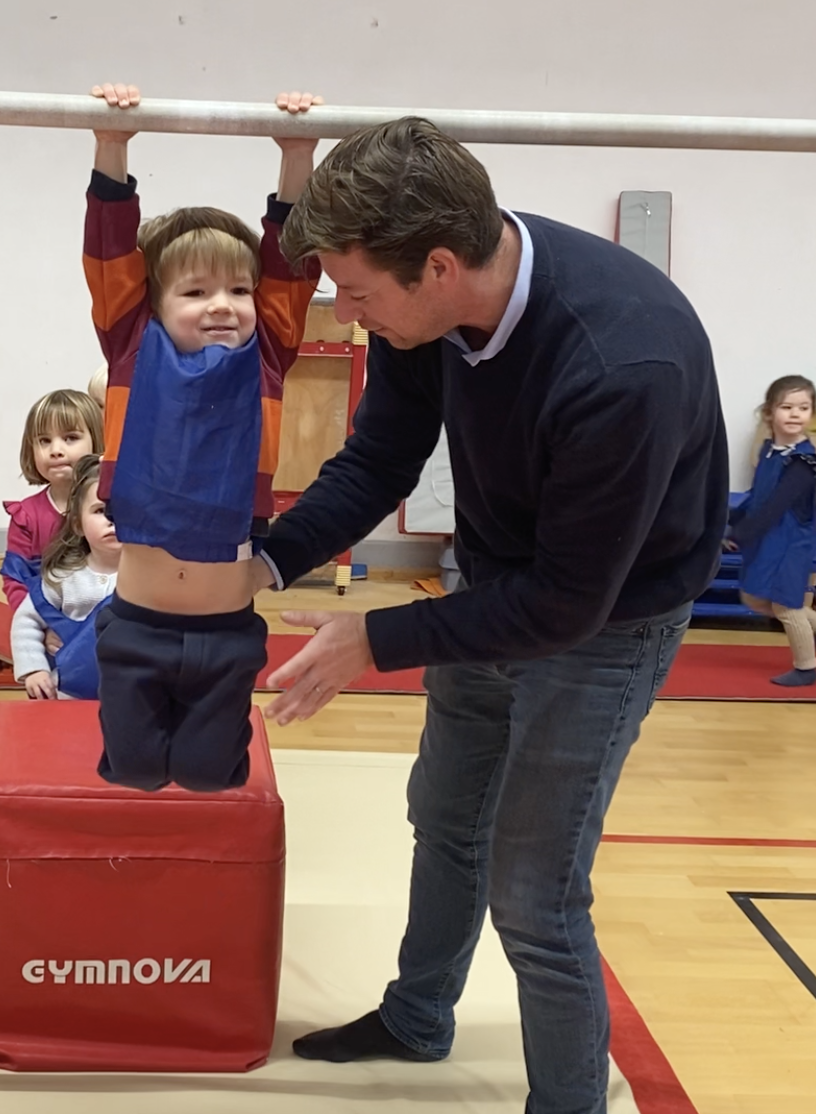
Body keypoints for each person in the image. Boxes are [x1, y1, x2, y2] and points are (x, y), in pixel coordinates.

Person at [249, 117, 729, 1114]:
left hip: (607, 617)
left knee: (534, 894)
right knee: (445, 814)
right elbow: (379, 459)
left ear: (432, 265)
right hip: (497, 583)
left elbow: (564, 603)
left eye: (356, 290)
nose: (343, 312)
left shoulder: (617, 363)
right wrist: (264, 558)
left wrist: (372, 638)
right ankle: (419, 1014)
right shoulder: (431, 308)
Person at [83, 82, 321, 791]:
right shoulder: (130, 343)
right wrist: (113, 142)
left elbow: (291, 264)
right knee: (133, 771)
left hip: (226, 633)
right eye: (195, 292)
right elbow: (108, 253)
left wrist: (297, 156)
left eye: (238, 291)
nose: (222, 305)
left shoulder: (268, 353)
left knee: (208, 774)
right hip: (138, 625)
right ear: (153, 303)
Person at [727, 375, 816, 685]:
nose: (795, 414)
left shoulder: (804, 463)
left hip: (794, 543)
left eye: (803, 408)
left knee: (787, 605)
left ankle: (807, 667)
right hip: (771, 539)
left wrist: (738, 534)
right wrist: (735, 519)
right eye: (787, 406)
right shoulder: (768, 452)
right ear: (769, 413)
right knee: (755, 598)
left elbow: (776, 506)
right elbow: (758, 495)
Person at [10, 455, 120, 700]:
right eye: (100, 510)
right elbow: (26, 621)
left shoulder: (150, 579)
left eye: (124, 510)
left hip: (131, 692)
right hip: (69, 691)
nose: (112, 520)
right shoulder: (61, 578)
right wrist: (35, 669)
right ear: (78, 524)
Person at [1, 388, 104, 611]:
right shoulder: (26, 516)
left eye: (71, 438)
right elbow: (16, 581)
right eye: (44, 441)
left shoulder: (112, 506)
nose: (56, 450)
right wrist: (44, 624)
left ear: (96, 440)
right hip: (43, 616)